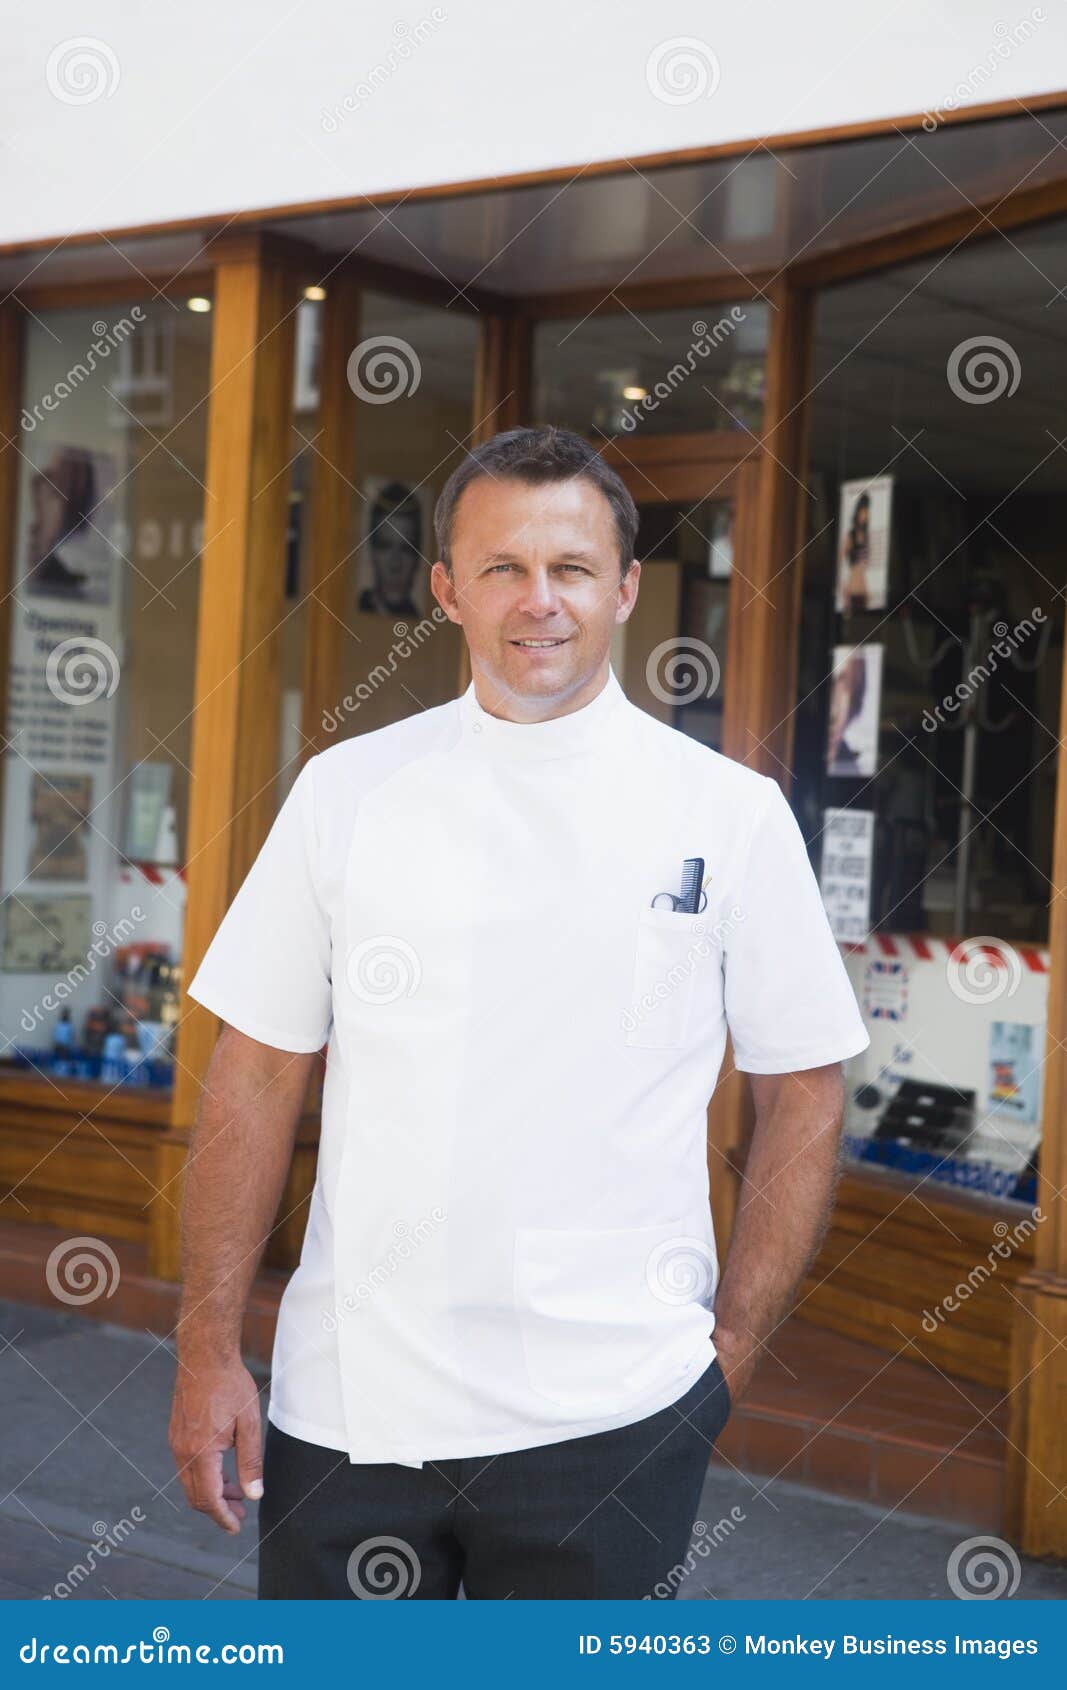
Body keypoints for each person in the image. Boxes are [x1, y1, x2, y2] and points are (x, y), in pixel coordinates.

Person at [169, 425, 870, 1600]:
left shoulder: (728, 815)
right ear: (445, 588)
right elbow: (253, 1073)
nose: (536, 601)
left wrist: (729, 1351)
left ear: (624, 589)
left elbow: (802, 1080)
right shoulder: (348, 792)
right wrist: (204, 1345)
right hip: (353, 1401)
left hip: (611, 1414)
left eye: (570, 569)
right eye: (500, 567)